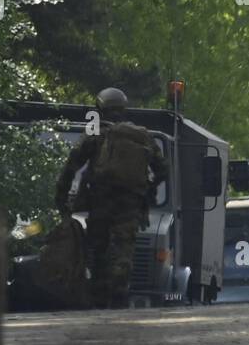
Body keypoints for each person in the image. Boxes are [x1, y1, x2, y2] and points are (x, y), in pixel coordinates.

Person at [55, 87, 166, 309]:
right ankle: (119, 296)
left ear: (100, 108)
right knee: (123, 249)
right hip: (131, 203)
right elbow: (163, 169)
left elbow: (71, 166)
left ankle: (99, 299)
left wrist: (61, 197)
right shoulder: (141, 135)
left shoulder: (95, 135)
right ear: (124, 109)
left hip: (100, 201)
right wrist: (147, 188)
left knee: (98, 250)